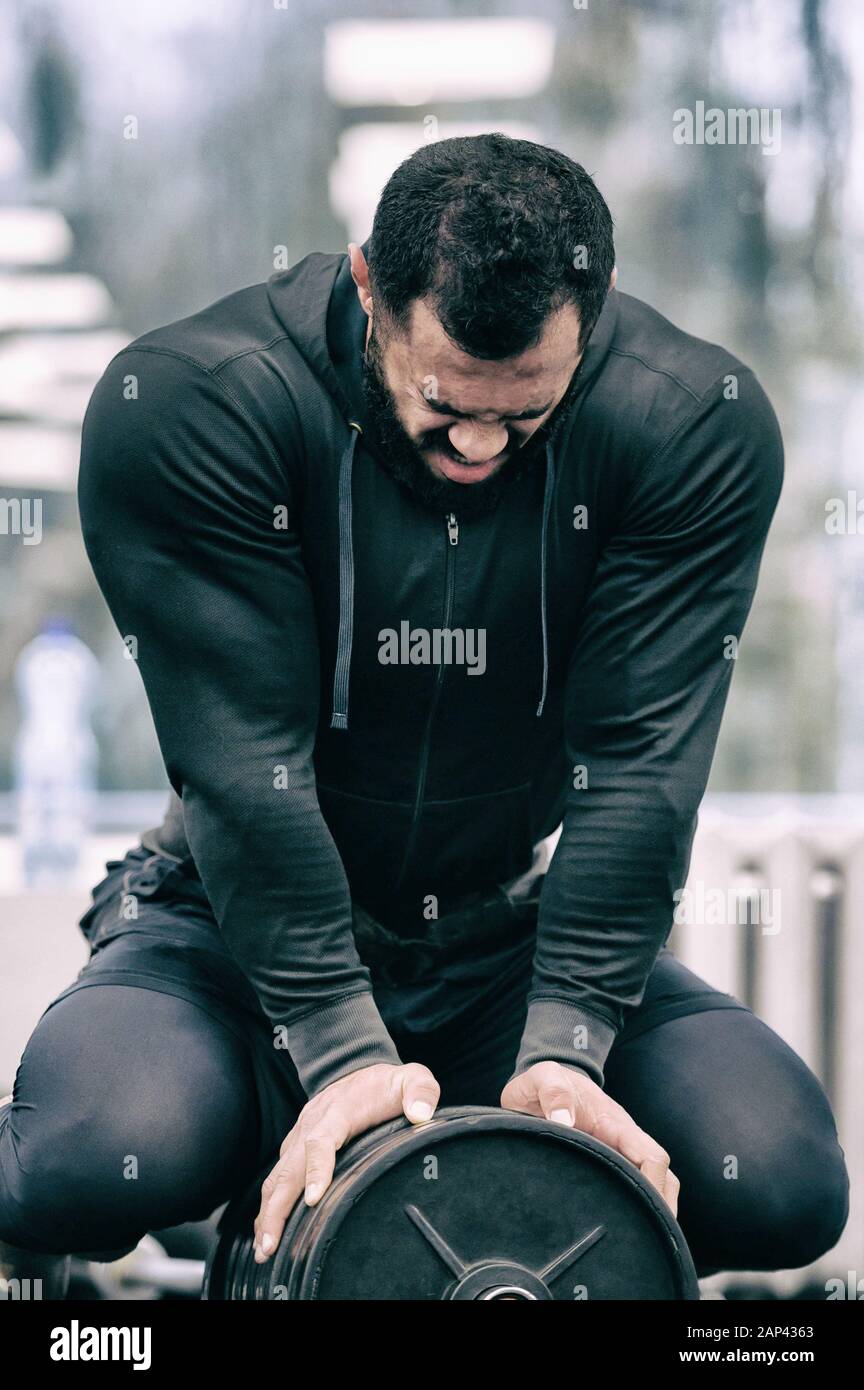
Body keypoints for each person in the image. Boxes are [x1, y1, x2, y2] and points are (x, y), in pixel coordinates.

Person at [0, 134, 849, 1292]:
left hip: (502, 947)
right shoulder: (198, 404)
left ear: (590, 327)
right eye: (447, 404)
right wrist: (344, 1058)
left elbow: (641, 768)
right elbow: (248, 771)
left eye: (527, 411)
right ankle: (219, 1194)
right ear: (366, 287)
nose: (484, 444)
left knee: (783, 1181)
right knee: (89, 1161)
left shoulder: (688, 426)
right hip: (238, 935)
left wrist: (567, 1048)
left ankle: (290, 1206)